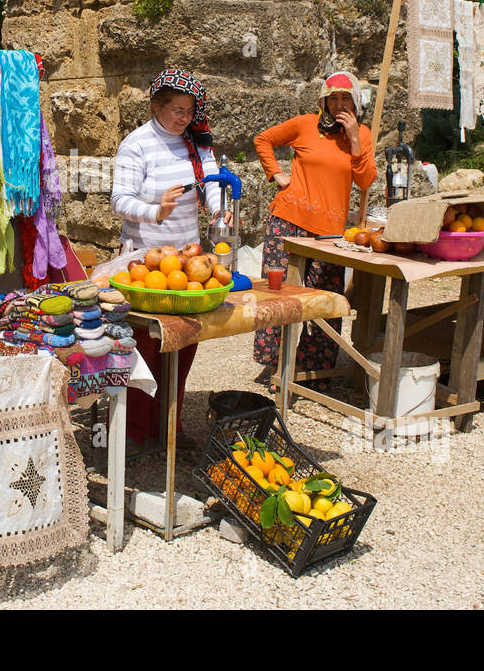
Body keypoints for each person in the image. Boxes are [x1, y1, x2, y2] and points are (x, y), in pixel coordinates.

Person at [110, 69, 226, 450]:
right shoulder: (136, 145)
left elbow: (210, 184)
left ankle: (169, 425)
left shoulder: (197, 143)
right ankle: (136, 431)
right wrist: (155, 211)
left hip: (189, 260)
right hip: (145, 261)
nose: (184, 118)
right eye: (176, 110)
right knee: (146, 345)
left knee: (183, 343)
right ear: (155, 106)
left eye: (189, 111)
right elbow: (119, 200)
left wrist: (218, 210)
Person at [252, 70, 376, 379]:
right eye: (332, 98)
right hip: (288, 221)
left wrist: (353, 141)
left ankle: (315, 370)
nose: (338, 104)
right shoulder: (304, 124)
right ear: (323, 101)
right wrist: (277, 175)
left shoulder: (362, 134)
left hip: (330, 233)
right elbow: (263, 139)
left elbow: (366, 181)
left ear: (356, 101)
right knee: (279, 293)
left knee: (324, 299)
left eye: (345, 97)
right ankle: (276, 364)